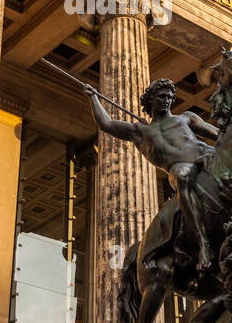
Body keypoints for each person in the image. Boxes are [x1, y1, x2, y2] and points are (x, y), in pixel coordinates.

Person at [85, 78, 220, 270]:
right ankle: (203, 244)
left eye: (170, 97)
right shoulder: (140, 131)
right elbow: (106, 123)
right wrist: (93, 97)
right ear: (150, 99)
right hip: (180, 168)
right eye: (162, 96)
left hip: (206, 155)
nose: (167, 100)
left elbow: (216, 133)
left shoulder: (186, 118)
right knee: (182, 176)